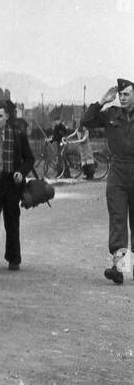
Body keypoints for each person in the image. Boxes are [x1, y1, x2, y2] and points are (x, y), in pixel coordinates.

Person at [81, 79, 134, 283]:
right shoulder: (111, 114)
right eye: (120, 95)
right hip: (118, 172)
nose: (122, 98)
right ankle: (119, 268)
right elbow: (85, 121)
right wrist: (101, 101)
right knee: (118, 219)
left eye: (127, 94)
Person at [0, 88, 35, 274]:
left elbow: (29, 159)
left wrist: (21, 172)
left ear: (7, 116)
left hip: (11, 183)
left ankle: (14, 258)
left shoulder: (18, 136)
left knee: (12, 222)